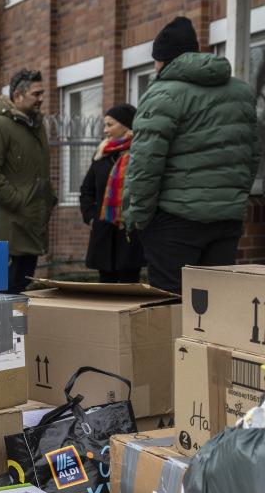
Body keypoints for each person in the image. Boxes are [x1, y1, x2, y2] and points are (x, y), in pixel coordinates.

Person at [123, 16, 260, 294]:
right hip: (226, 220)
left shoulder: (163, 92)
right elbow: (252, 154)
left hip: (174, 221)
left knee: (171, 306)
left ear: (162, 59)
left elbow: (146, 164)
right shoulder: (242, 92)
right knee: (218, 308)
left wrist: (138, 217)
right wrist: (233, 199)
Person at [0, 69, 56, 294]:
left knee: (22, 293)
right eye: (36, 93)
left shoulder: (37, 125)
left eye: (42, 93)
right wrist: (16, 201)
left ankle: (19, 331)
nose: (41, 98)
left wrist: (48, 199)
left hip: (32, 225)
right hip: (10, 230)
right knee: (6, 293)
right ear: (18, 95)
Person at [79, 104, 145, 283]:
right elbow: (86, 191)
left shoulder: (141, 153)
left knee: (128, 289)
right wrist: (91, 217)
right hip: (104, 231)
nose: (105, 130)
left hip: (130, 233)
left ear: (125, 125)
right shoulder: (102, 154)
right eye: (105, 125)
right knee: (105, 291)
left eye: (110, 125)